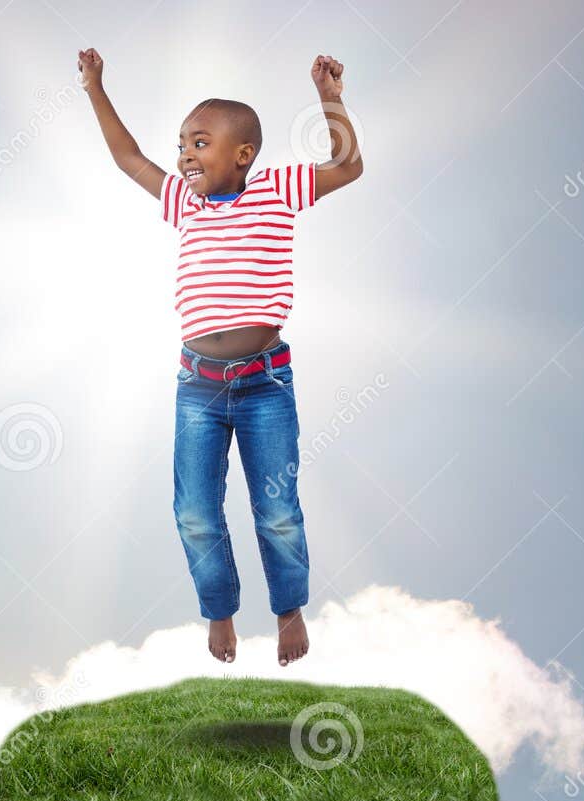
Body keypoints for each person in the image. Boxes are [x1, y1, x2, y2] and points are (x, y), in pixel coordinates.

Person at [77, 49, 363, 665]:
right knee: (193, 509)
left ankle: (288, 610)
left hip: (265, 383)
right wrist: (96, 88)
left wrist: (330, 100)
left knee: (276, 506)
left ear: (242, 155)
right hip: (197, 388)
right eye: (181, 143)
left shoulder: (277, 189)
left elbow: (348, 167)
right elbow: (129, 158)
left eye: (199, 142)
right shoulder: (185, 201)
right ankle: (220, 613)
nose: (184, 154)